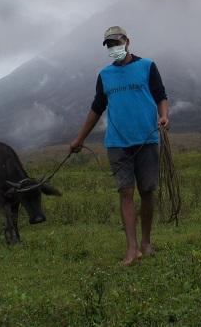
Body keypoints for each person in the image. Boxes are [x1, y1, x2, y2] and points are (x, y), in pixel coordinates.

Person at [69, 25, 170, 265]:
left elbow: (160, 95)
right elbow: (97, 108)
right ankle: (131, 249)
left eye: (117, 43)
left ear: (127, 41)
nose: (114, 48)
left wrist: (163, 115)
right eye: (110, 45)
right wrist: (79, 139)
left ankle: (146, 242)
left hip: (147, 138)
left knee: (147, 191)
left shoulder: (147, 66)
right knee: (125, 192)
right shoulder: (105, 75)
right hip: (117, 142)